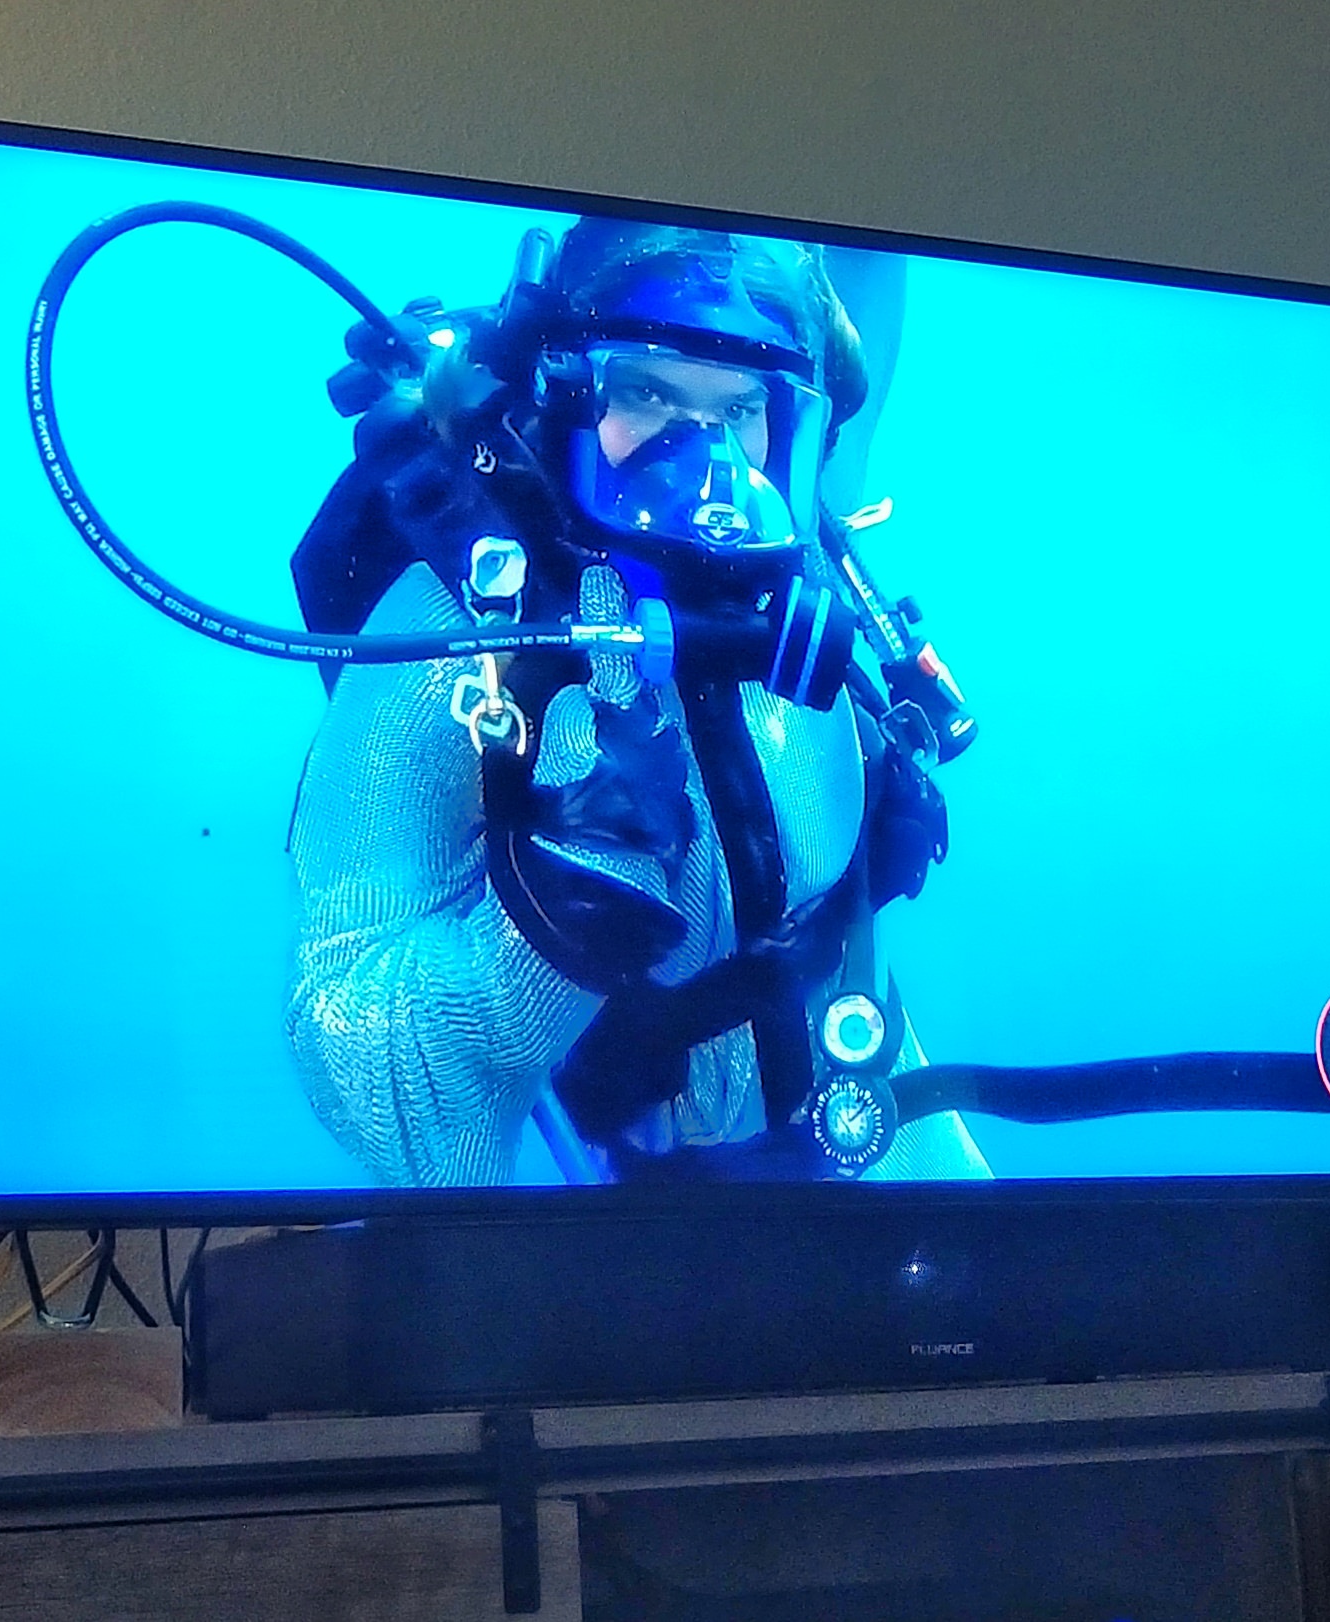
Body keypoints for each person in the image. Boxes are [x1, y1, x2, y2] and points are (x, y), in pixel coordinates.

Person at [283, 218, 977, 1186]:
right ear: (567, 391)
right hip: (621, 1178)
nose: (702, 467)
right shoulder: (453, 632)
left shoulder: (799, 543)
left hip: (858, 1086)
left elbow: (873, 255)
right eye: (646, 391)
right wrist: (547, 941)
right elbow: (355, 1053)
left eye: (737, 409)